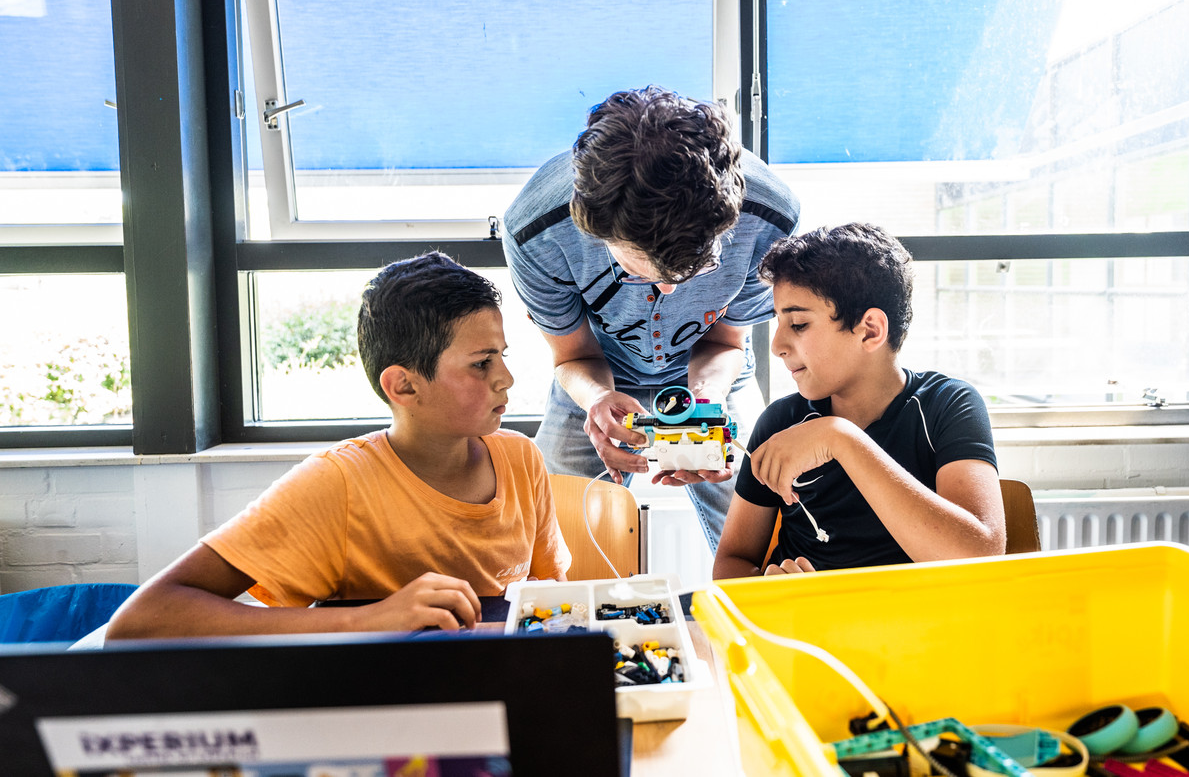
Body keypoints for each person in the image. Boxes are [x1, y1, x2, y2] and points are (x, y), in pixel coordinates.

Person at [107, 252, 570, 638]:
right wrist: (371, 619)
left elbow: (553, 600)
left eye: (502, 357)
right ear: (404, 387)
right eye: (481, 363)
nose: (506, 379)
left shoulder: (520, 457)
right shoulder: (338, 483)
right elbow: (139, 621)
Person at [502, 86, 800, 551]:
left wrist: (707, 401)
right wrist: (599, 398)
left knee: (765, 525)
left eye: (698, 269)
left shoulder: (771, 221)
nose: (668, 291)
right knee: (552, 536)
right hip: (595, 367)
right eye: (638, 271)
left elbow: (726, 343)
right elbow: (572, 355)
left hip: (714, 371)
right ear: (595, 229)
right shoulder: (537, 232)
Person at [712, 224, 1005, 578]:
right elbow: (731, 562)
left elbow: (979, 554)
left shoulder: (948, 405)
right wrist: (768, 590)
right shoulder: (780, 423)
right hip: (803, 628)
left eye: (799, 324)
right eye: (778, 323)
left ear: (870, 330)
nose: (777, 346)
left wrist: (841, 439)